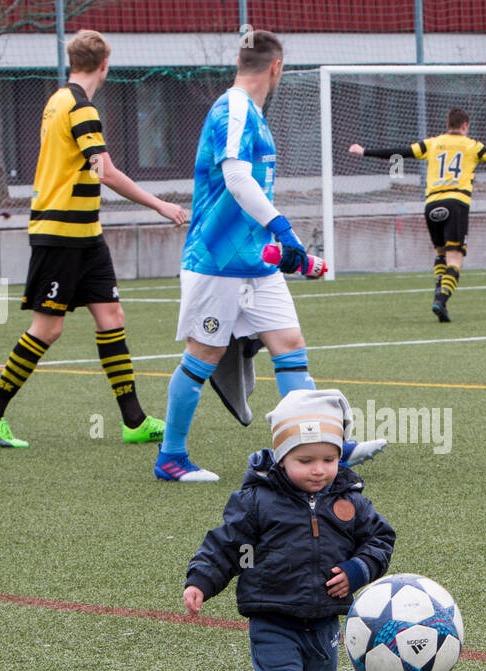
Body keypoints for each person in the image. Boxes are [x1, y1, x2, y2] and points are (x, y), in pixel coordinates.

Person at [157, 30, 385, 482]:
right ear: (275, 67)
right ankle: (171, 457)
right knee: (201, 356)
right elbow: (238, 178)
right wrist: (284, 228)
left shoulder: (253, 113)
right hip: (217, 261)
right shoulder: (236, 106)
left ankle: (324, 442)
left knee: (290, 346)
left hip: (257, 263)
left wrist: (279, 242)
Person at [0, 29, 186, 449]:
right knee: (47, 329)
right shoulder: (80, 107)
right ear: (105, 65)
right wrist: (159, 204)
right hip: (60, 233)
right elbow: (103, 170)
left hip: (87, 234)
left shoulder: (57, 100)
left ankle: (134, 421)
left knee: (112, 317)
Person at [184, 389, 396, 671]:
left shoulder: (349, 500)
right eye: (305, 460)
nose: (319, 470)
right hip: (272, 616)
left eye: (329, 460)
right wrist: (201, 581)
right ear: (281, 457)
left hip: (324, 621)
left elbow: (379, 541)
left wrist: (357, 569)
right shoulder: (256, 501)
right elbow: (228, 546)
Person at [348, 109, 486, 323]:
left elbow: (399, 152)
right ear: (465, 126)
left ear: (447, 124)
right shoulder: (473, 146)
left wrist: (364, 151)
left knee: (441, 254)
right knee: (455, 260)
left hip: (431, 206)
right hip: (456, 205)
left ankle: (439, 299)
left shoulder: (431, 143)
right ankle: (440, 300)